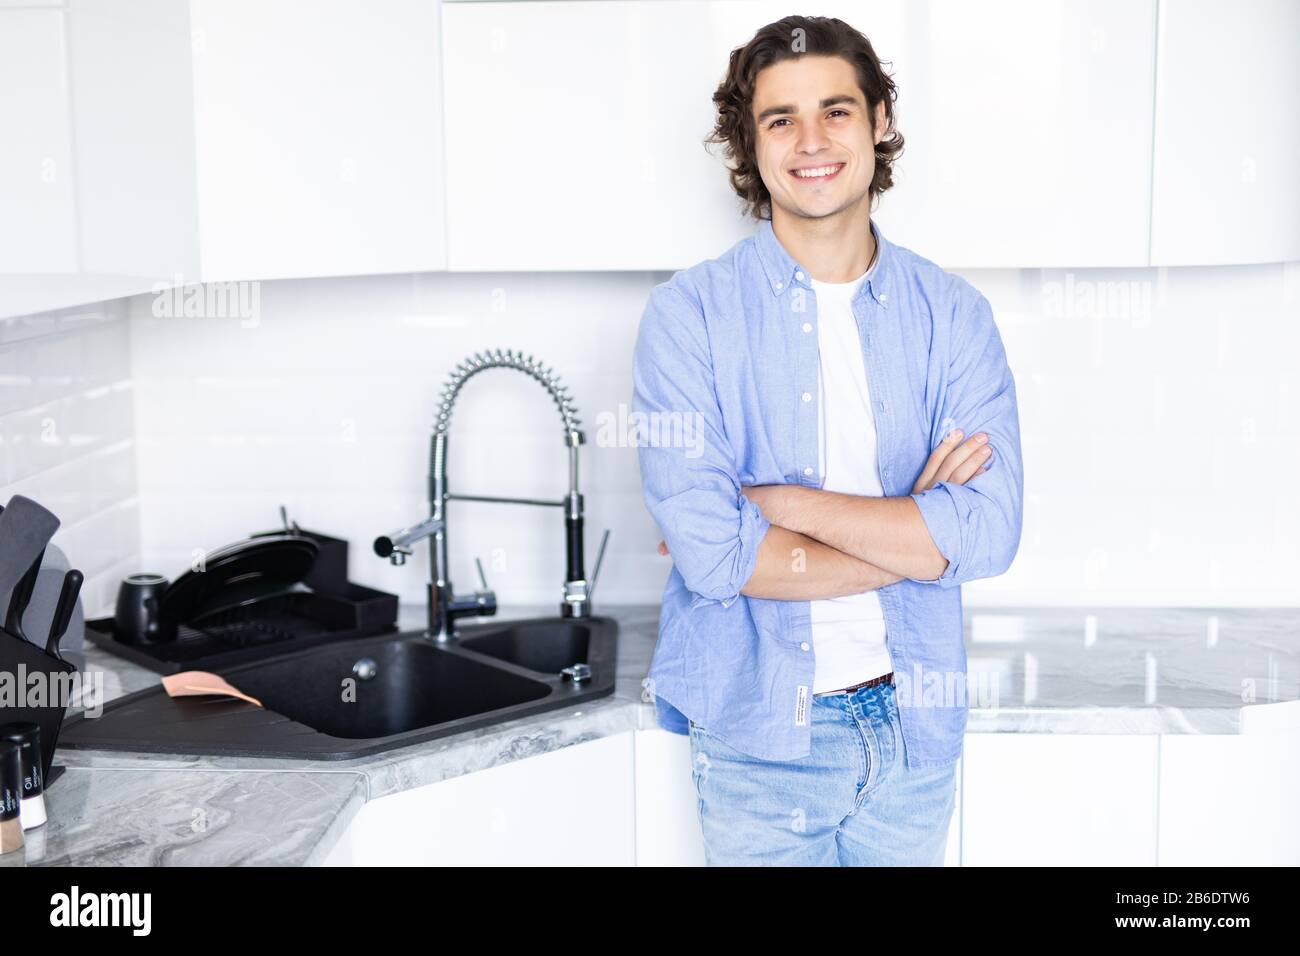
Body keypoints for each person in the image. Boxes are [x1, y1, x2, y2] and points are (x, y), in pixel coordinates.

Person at [631, 14, 1024, 866]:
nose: (811, 141)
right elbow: (713, 558)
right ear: (751, 141)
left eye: (836, 110)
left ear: (879, 120)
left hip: (915, 727)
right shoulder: (687, 316)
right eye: (780, 118)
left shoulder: (953, 316)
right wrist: (919, 532)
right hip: (759, 738)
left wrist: (784, 508)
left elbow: (988, 534)